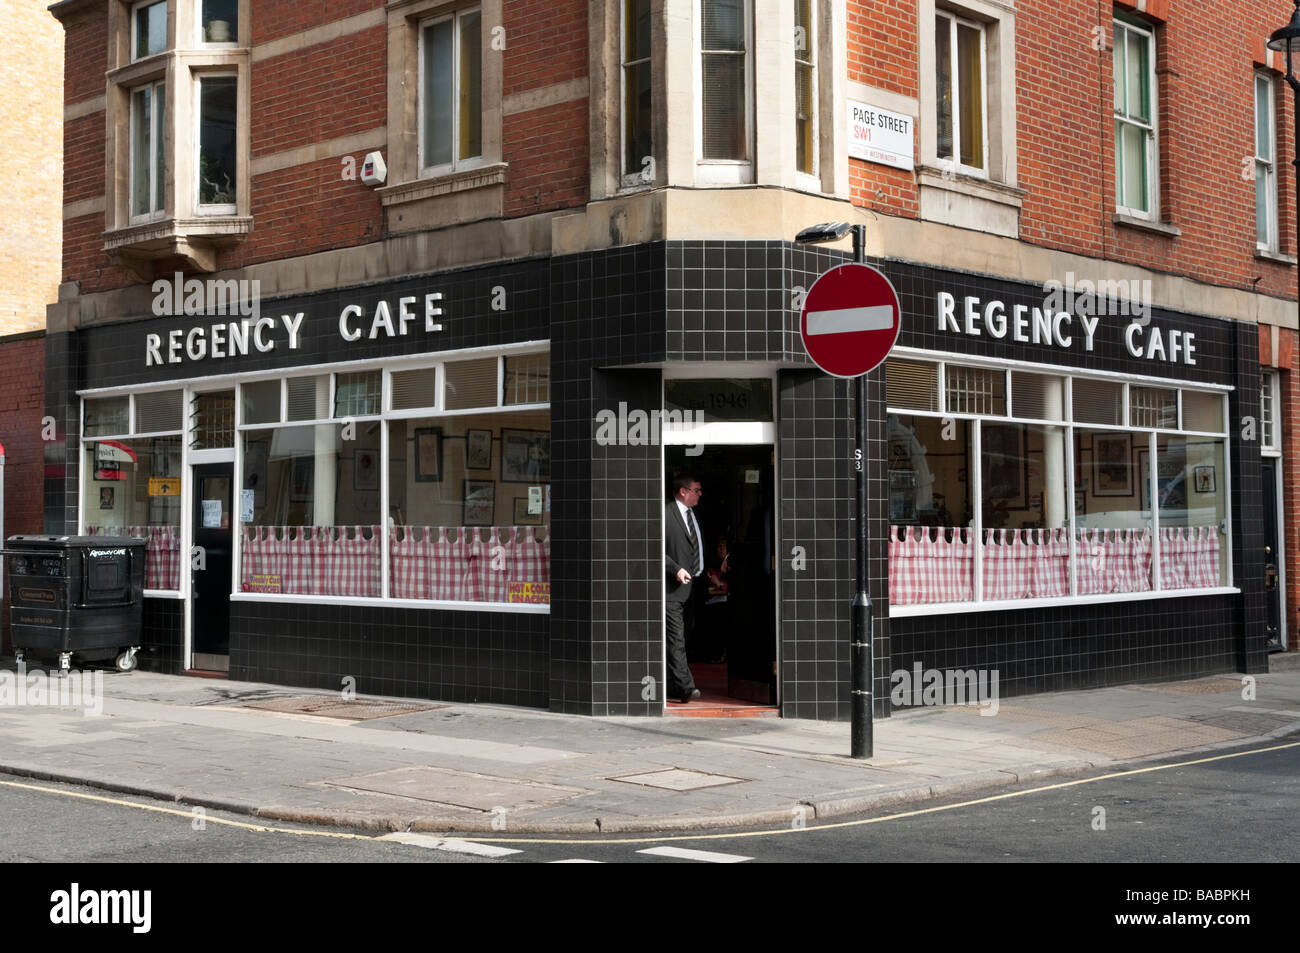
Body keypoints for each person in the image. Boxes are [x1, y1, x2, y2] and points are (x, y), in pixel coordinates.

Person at [664, 473, 704, 704]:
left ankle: (674, 686)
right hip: (672, 589)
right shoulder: (666, 514)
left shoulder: (694, 516)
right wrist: (675, 569)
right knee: (676, 639)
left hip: (693, 588)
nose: (700, 494)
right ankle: (685, 686)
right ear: (683, 491)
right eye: (696, 490)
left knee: (683, 638)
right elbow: (654, 548)